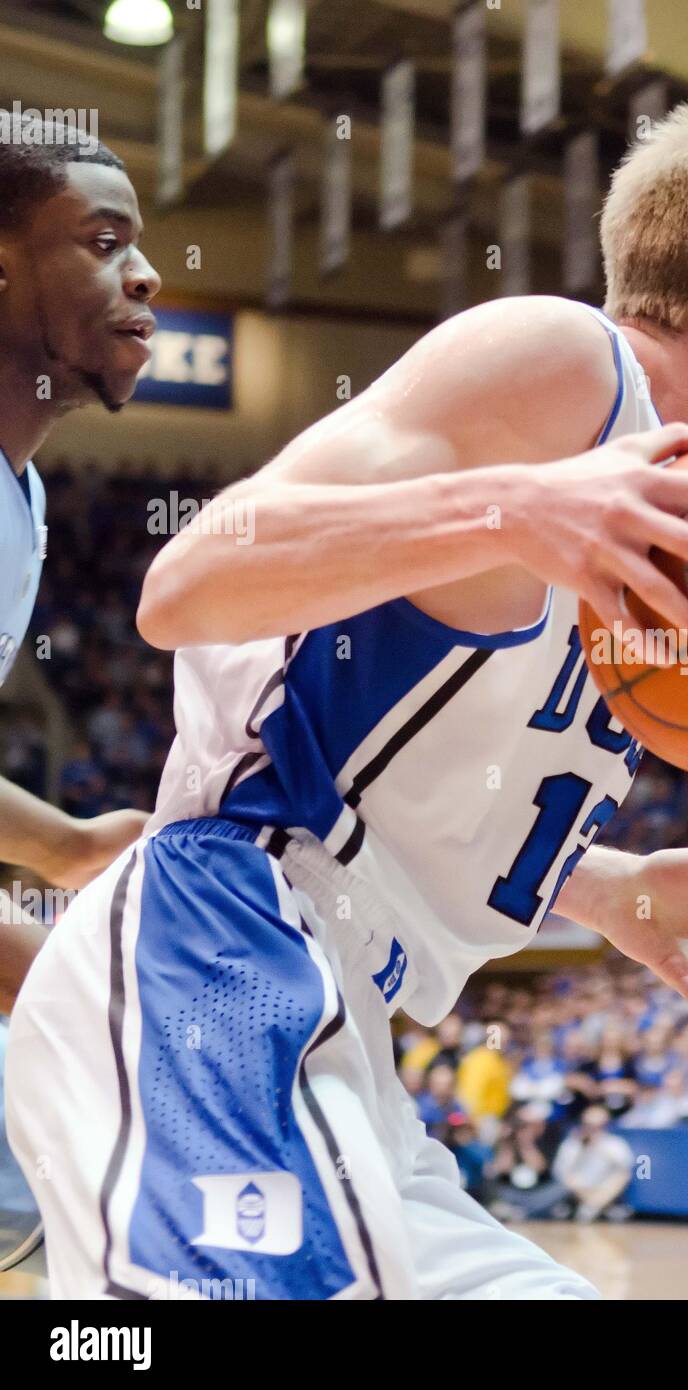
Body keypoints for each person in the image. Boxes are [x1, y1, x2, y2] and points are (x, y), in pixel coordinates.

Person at [6, 99, 688, 1299]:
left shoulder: (675, 509)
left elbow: (395, 777)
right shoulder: (574, 370)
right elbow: (188, 582)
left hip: (348, 1046)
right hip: (222, 965)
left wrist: (600, 890)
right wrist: (521, 506)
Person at [0, 126, 157, 1271]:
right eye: (103, 243)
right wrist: (37, 969)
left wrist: (63, 847)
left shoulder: (27, 493)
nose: (145, 273)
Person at [552, 1106, 635, 1222]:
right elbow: (560, 1170)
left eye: (599, 1126)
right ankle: (596, 1208)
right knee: (569, 1179)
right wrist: (582, 1148)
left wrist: (599, 1147)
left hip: (604, 1188)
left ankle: (592, 1207)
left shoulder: (614, 1143)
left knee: (622, 1176)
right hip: (579, 1188)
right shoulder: (572, 1143)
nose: (593, 1130)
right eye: (589, 1125)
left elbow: (625, 1166)